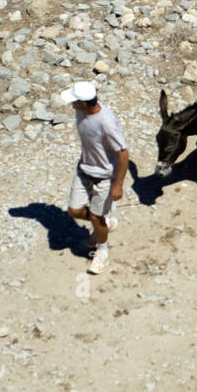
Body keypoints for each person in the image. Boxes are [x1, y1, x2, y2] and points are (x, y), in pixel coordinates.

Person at [62, 80, 128, 277]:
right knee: (74, 210)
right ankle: (104, 226)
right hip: (84, 170)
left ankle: (102, 251)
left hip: (104, 178)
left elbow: (123, 154)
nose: (71, 104)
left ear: (83, 103)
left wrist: (118, 185)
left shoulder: (106, 122)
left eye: (74, 101)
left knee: (96, 218)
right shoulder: (81, 109)